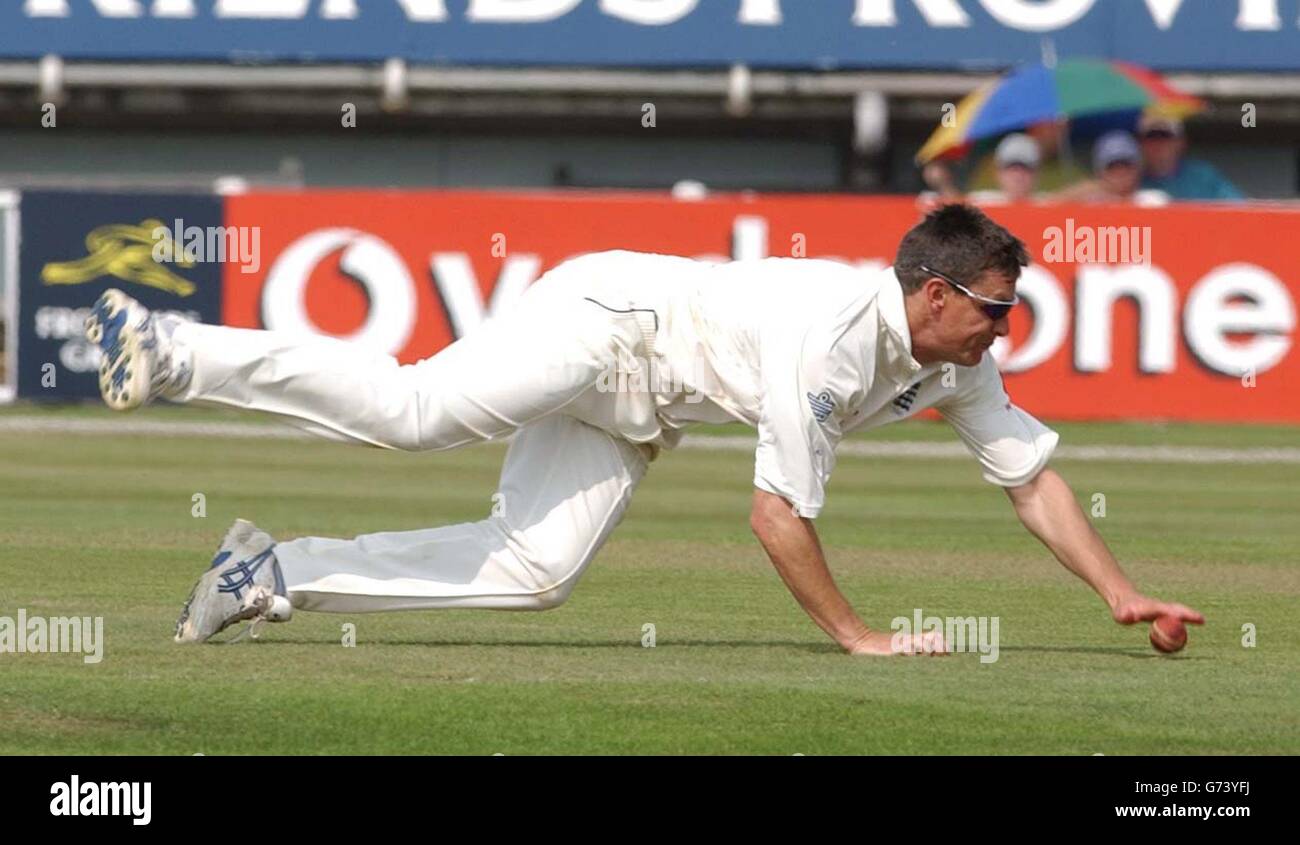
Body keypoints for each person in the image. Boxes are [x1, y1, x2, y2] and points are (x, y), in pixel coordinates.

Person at [84, 204, 1204, 654]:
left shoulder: (955, 363)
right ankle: (178, 349)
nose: (1007, 326)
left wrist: (1118, 589)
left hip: (645, 404)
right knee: (417, 410)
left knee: (534, 571)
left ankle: (270, 572)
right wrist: (860, 636)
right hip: (611, 322)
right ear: (933, 293)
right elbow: (774, 516)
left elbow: (1032, 479)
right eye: (995, 307)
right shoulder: (830, 339)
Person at [1138, 114, 1245, 201]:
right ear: (1140, 143)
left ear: (1181, 142)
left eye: (1165, 136)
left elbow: (1238, 206)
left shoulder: (1202, 176)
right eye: (1151, 137)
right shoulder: (1130, 177)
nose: (1158, 144)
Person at [1054, 130, 1168, 205]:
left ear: (1138, 168)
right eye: (1112, 167)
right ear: (1100, 172)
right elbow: (1045, 205)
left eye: (1126, 165)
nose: (1121, 172)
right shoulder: (1089, 203)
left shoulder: (1154, 199)